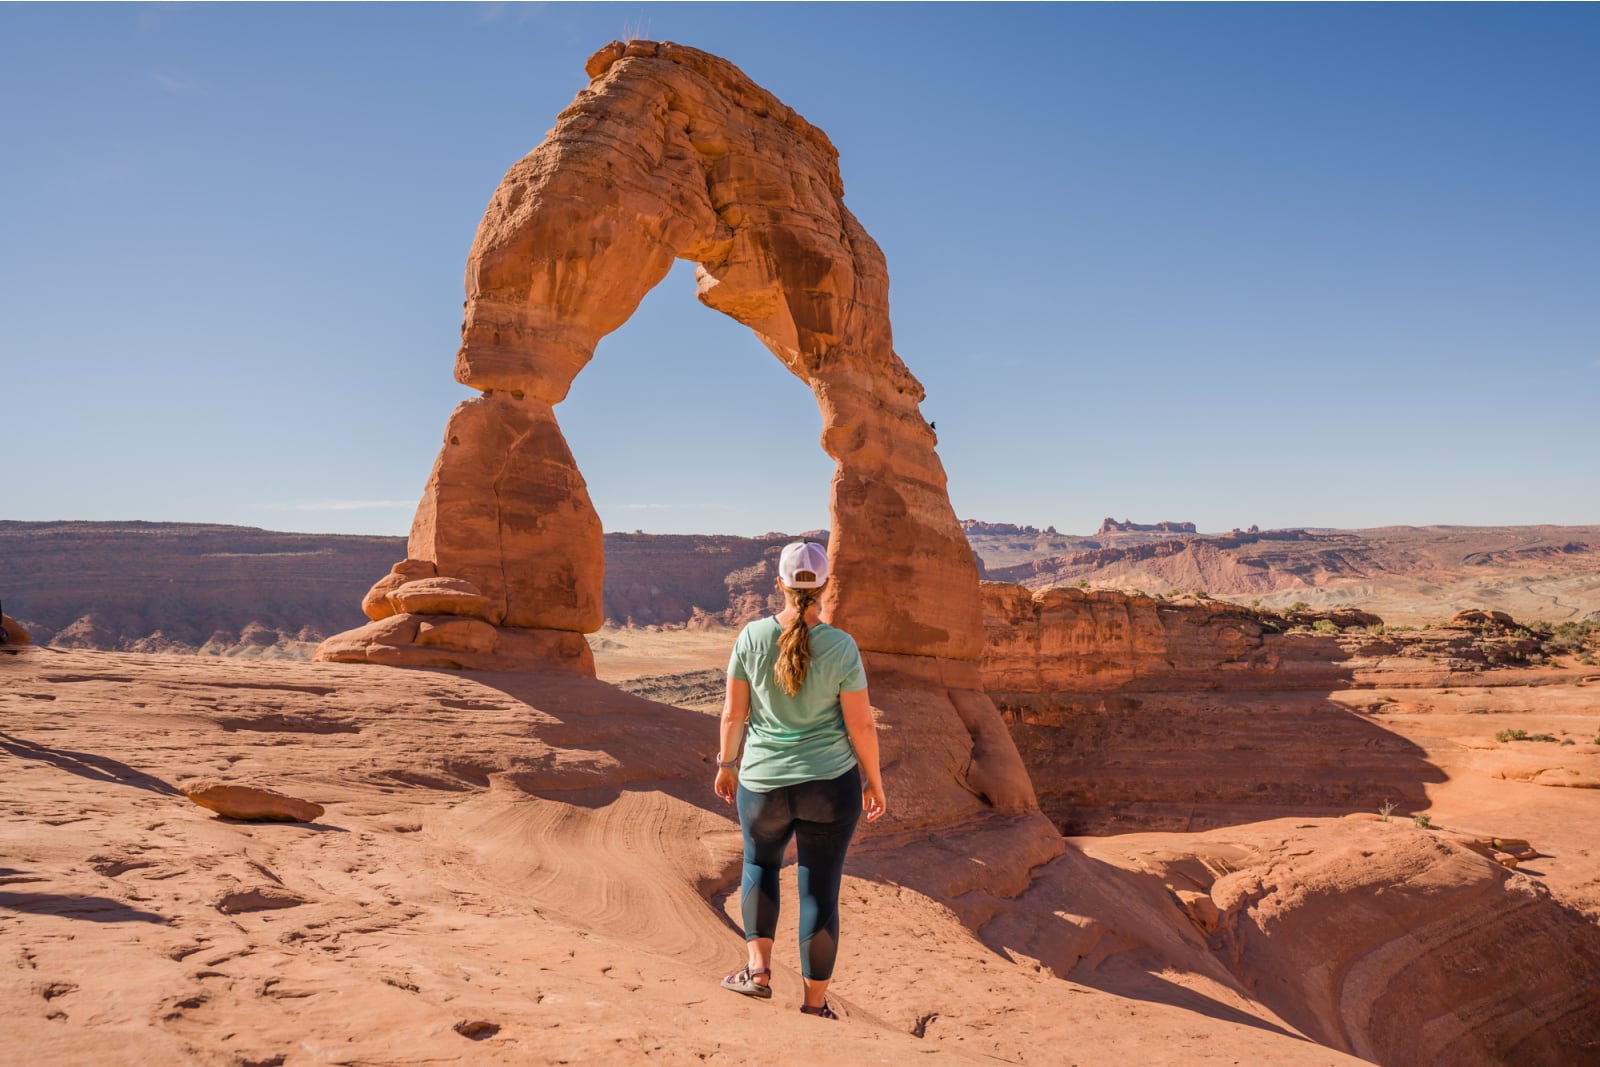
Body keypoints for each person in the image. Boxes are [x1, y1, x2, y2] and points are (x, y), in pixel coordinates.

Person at [714, 541, 887, 1020]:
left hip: (762, 784)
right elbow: (861, 725)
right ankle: (815, 1005)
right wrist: (873, 781)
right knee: (820, 889)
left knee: (760, 864)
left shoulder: (751, 637)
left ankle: (758, 972)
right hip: (829, 786)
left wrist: (726, 765)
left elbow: (732, 714)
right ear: (825, 587)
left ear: (780, 584)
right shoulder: (841, 646)